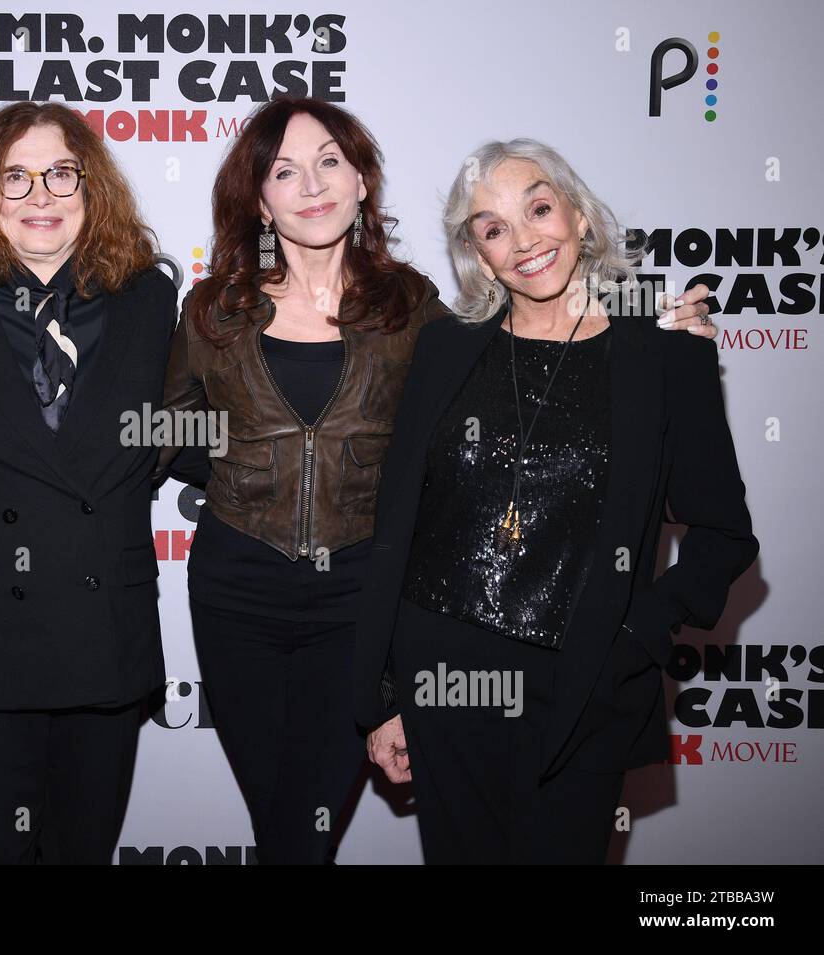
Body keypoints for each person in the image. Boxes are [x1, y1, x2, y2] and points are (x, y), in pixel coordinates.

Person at [156, 99, 717, 864]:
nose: (311, 184)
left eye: (329, 162)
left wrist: (652, 315)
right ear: (259, 198)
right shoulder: (215, 306)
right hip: (236, 589)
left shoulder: (413, 306)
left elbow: (524, 340)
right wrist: (251, 465)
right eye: (283, 171)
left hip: (358, 593)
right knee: (276, 815)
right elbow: (177, 429)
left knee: (305, 826)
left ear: (361, 183)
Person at [357, 139, 757, 863]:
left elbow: (725, 533)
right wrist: (385, 694)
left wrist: (637, 635)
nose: (524, 240)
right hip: (443, 673)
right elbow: (400, 529)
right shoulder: (446, 349)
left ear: (577, 215)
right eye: (493, 227)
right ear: (477, 252)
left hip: (583, 685)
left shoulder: (664, 353)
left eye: (538, 208)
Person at [0, 102, 176, 864]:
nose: (40, 195)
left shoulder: (150, 300)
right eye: (14, 177)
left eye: (61, 173)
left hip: (104, 642)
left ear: (92, 187)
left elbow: (189, 426)